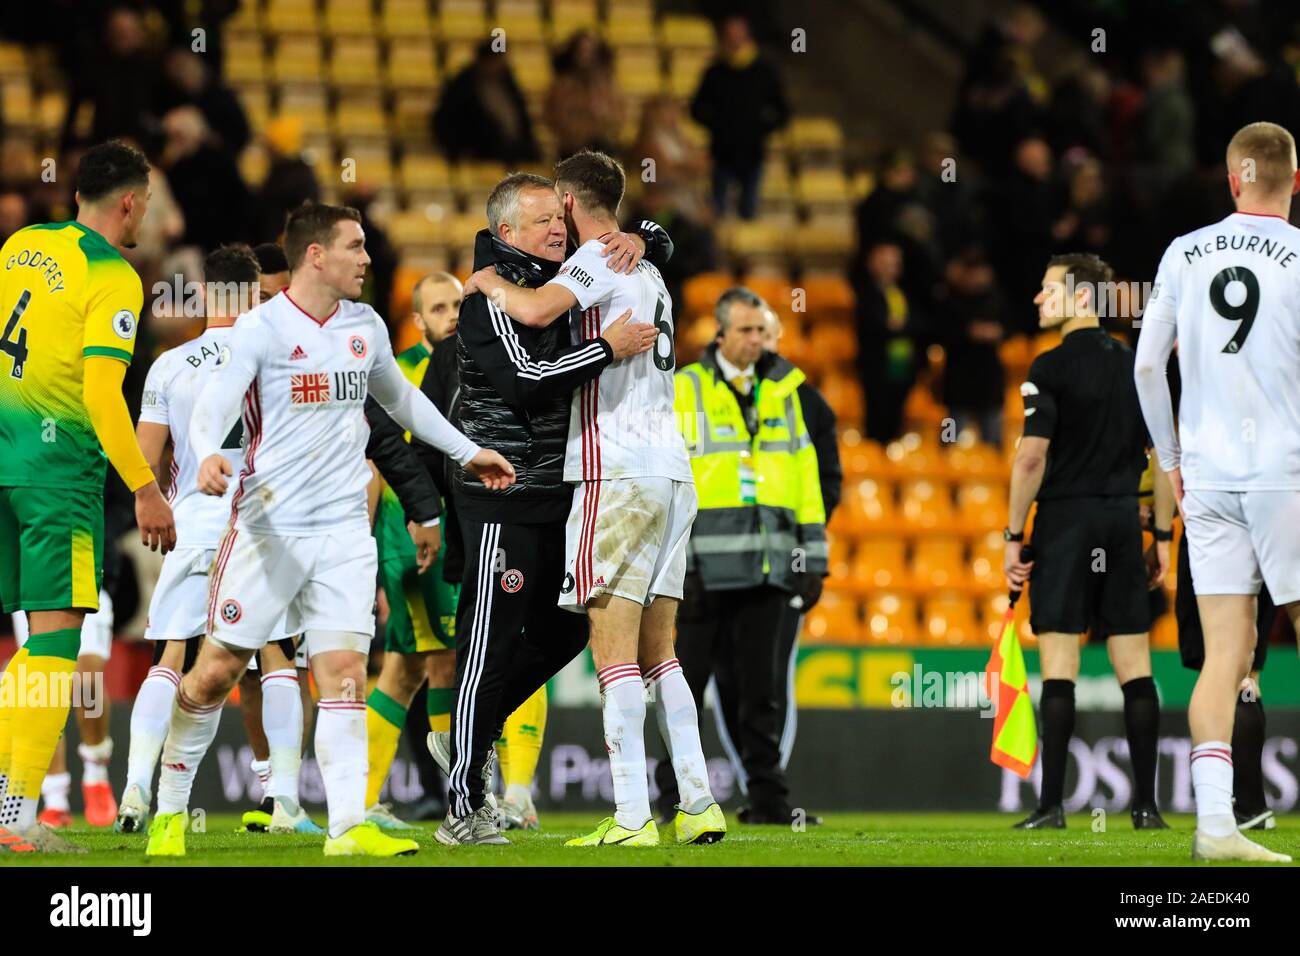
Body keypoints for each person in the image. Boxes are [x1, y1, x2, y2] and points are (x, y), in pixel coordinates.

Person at [144, 202, 516, 859]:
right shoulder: (259, 330)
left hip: (345, 530)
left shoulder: (365, 326)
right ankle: (170, 808)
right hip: (267, 528)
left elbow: (402, 401)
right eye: (356, 246)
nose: (368, 259)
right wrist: (204, 451)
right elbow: (211, 410)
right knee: (216, 672)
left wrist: (465, 451)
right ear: (316, 255)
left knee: (343, 672)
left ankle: (346, 827)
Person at [467, 151, 728, 848]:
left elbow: (532, 306)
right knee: (659, 652)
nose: (554, 221)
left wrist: (487, 278)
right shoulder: (647, 267)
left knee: (611, 648)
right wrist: (649, 234)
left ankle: (633, 816)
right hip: (673, 471)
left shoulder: (594, 259)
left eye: (556, 207)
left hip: (615, 469)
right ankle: (699, 802)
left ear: (570, 200)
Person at [427, 171, 672, 845]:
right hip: (500, 496)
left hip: (558, 492)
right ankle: (462, 808)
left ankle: (474, 731)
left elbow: (652, 240)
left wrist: (645, 237)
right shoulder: (489, 300)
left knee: (568, 630)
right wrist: (606, 349)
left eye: (559, 222)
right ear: (508, 233)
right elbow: (525, 384)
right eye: (542, 223)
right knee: (487, 644)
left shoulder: (554, 286)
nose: (558, 231)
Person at [0, 140, 176, 854]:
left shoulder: (20, 245)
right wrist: (145, 486)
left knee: (33, 649)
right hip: (57, 475)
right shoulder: (115, 275)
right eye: (148, 205)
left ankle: (9, 805)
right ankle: (16, 818)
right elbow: (104, 392)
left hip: (6, 462)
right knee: (58, 644)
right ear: (129, 201)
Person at [1134, 121, 1300, 862]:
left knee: (1223, 659)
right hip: (1285, 472)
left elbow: (1145, 368)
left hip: (1206, 478)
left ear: (1234, 178)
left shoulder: (1183, 253)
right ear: (1295, 181)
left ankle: (1214, 829)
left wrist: (1171, 461)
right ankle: (1222, 831)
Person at [1004, 252, 1167, 832]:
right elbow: (1162, 462)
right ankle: (1147, 808)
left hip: (1067, 524)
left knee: (1059, 669)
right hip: (1124, 522)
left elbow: (1030, 457)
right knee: (1136, 667)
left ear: (1080, 299)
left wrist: (1011, 536)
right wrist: (1162, 537)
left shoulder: (1047, 369)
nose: (1037, 299)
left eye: (1048, 289)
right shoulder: (1137, 366)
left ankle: (1050, 807)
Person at [653, 287, 828, 825]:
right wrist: (677, 562)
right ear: (721, 334)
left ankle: (770, 801)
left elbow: (805, 477)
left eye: (762, 330)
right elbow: (668, 474)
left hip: (769, 567)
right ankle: (673, 797)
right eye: (747, 331)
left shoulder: (785, 391)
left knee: (762, 693)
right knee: (686, 686)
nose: (757, 340)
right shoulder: (686, 388)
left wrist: (813, 557)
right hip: (701, 567)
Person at [364, 272, 463, 830]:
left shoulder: (471, 363)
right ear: (418, 319)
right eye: (438, 307)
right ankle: (459, 796)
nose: (451, 314)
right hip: (410, 535)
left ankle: (367, 796)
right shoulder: (395, 374)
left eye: (457, 304)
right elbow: (378, 462)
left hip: (454, 528)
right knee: (438, 661)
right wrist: (370, 541)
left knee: (407, 668)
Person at [690, 15, 789, 219]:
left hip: (753, 151)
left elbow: (782, 110)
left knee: (750, 208)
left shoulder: (764, 71)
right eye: (730, 35)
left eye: (738, 34)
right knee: (718, 209)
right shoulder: (715, 72)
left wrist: (761, 129)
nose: (734, 40)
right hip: (722, 152)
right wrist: (716, 126)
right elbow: (696, 108)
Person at [432, 40, 539, 165]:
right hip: (480, 155)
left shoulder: (508, 83)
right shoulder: (462, 86)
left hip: (515, 153)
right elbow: (445, 121)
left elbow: (522, 119)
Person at [544, 30, 626, 159]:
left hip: (604, 150)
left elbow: (616, 120)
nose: (586, 58)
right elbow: (558, 122)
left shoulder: (608, 87)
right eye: (581, 52)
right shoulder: (561, 88)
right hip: (571, 152)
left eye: (591, 52)